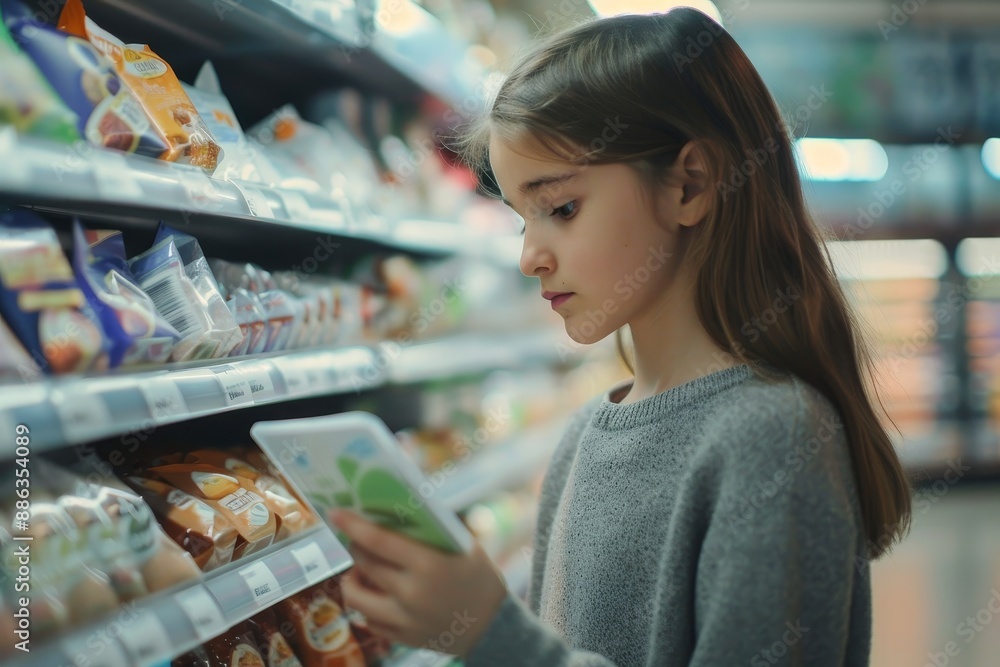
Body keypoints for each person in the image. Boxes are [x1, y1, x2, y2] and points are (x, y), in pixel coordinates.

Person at [331, 8, 913, 666]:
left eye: (561, 208)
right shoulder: (584, 436)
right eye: (523, 218)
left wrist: (493, 635)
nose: (529, 257)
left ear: (690, 185)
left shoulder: (772, 434)